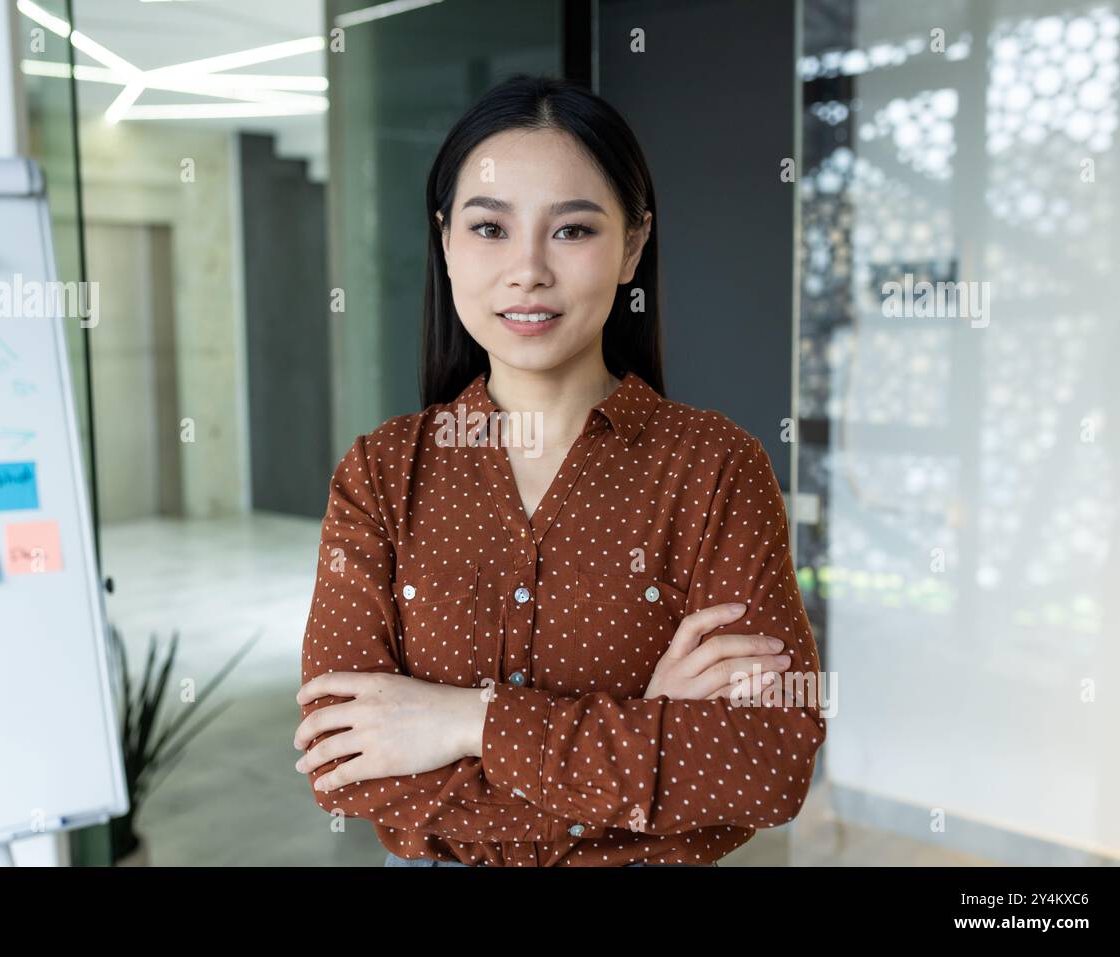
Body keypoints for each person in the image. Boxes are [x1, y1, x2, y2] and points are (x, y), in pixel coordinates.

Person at [294, 74, 825, 867]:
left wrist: (463, 722)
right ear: (444, 242)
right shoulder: (381, 473)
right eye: (489, 228)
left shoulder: (715, 469)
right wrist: (645, 727)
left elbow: (766, 765)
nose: (528, 270)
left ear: (633, 245)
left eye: (572, 231)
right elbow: (341, 762)